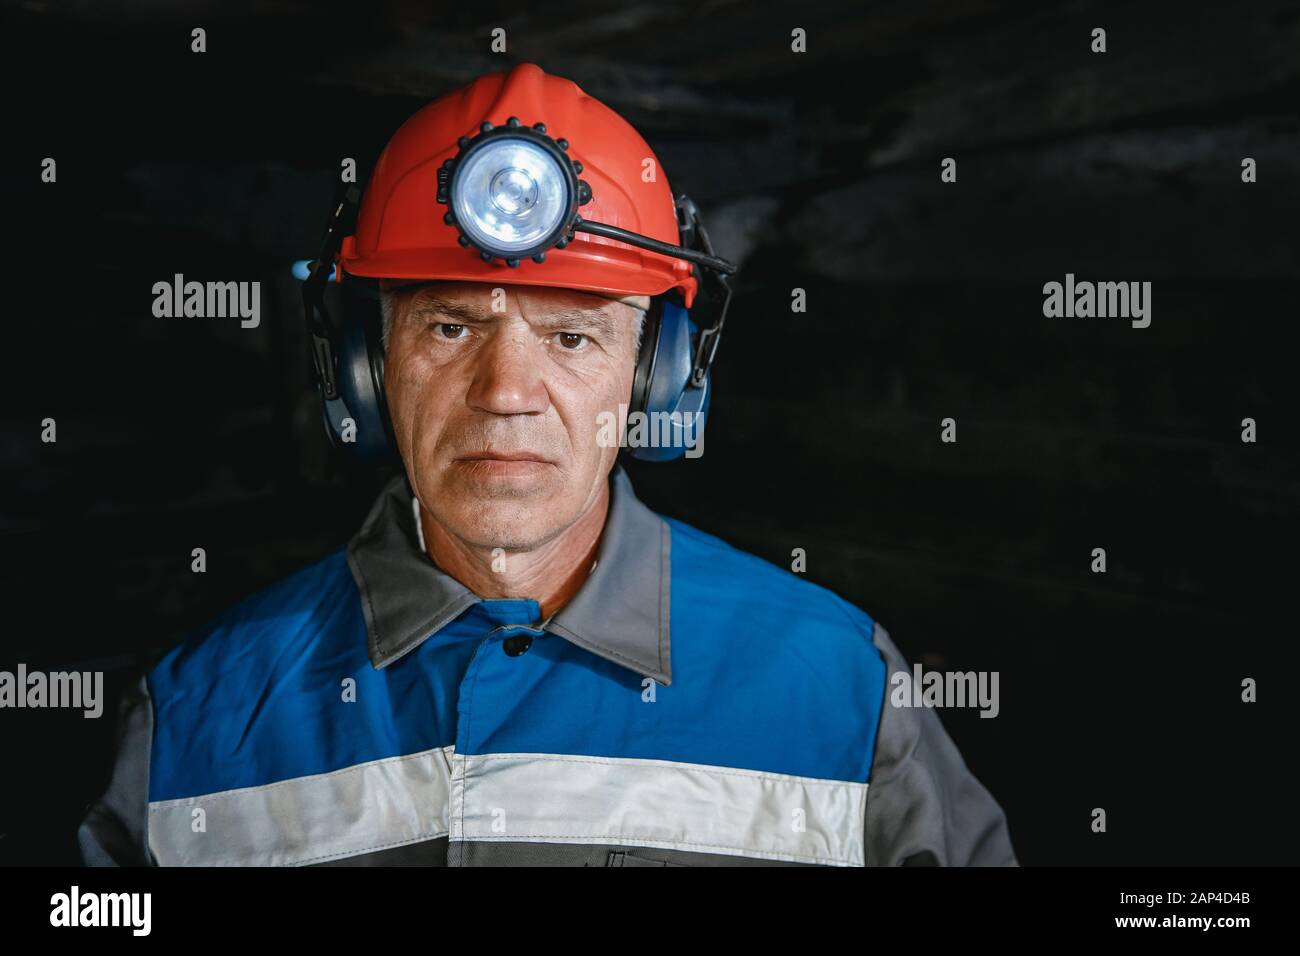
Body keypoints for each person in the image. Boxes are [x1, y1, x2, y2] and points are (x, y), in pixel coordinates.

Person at [78, 62, 1016, 867]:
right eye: (451, 327)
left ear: (661, 376)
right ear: (366, 371)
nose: (508, 392)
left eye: (572, 335)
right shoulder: (199, 714)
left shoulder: (836, 684)